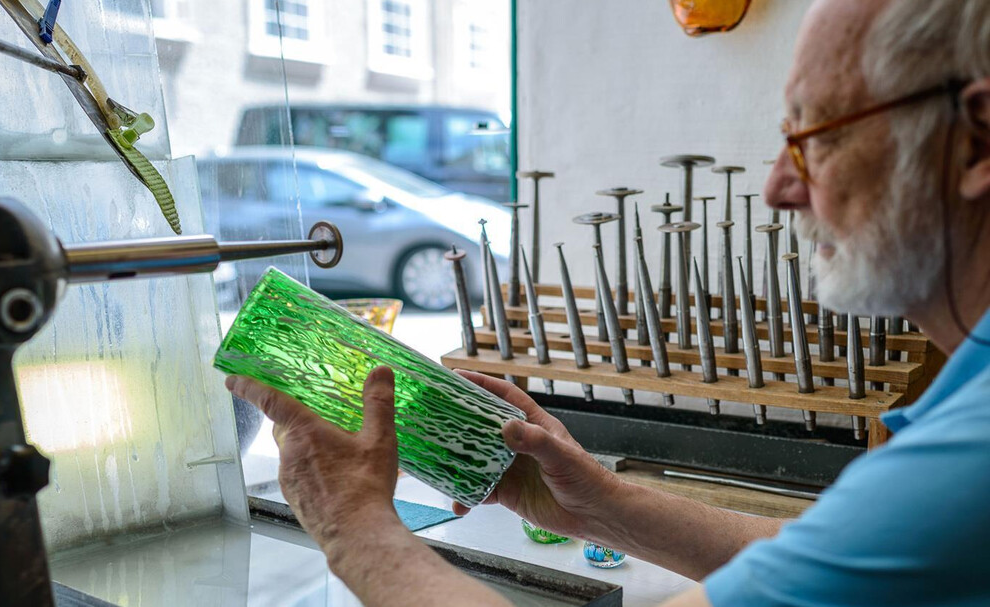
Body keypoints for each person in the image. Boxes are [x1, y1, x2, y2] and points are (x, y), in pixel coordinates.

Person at [225, 0, 990, 604]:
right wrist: (595, 504)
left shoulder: (969, 453)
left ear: (977, 142)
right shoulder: (963, 400)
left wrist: (355, 527)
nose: (779, 188)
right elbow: (841, 557)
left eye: (816, 139)